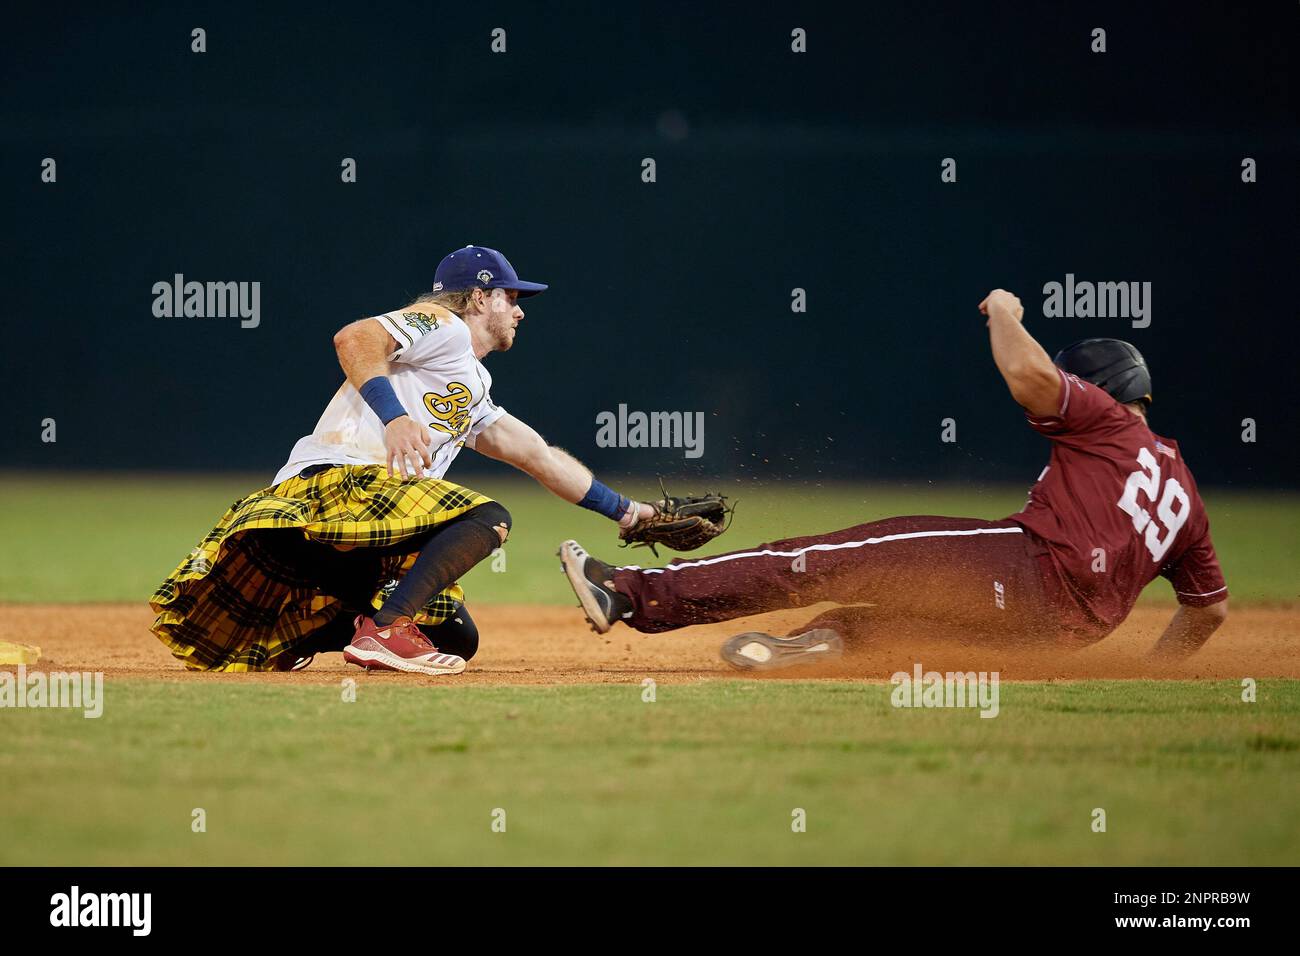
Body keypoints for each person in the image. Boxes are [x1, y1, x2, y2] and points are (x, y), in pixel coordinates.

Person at [559, 289, 1229, 670]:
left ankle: (629, 593)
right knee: (871, 622)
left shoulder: (1108, 420)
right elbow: (1209, 610)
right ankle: (827, 647)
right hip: (1062, 636)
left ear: (1107, 388)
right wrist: (1148, 674)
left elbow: (1031, 379)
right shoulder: (1188, 497)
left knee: (820, 560)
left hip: (1029, 572)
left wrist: (1004, 313)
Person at [151, 245, 659, 675]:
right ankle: (383, 629)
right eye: (511, 297)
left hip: (348, 532)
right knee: (488, 517)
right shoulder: (446, 326)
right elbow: (354, 337)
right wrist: (394, 417)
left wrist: (633, 514)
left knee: (456, 639)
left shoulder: (472, 386)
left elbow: (540, 457)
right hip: (332, 488)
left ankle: (308, 636)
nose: (520, 310)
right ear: (479, 297)